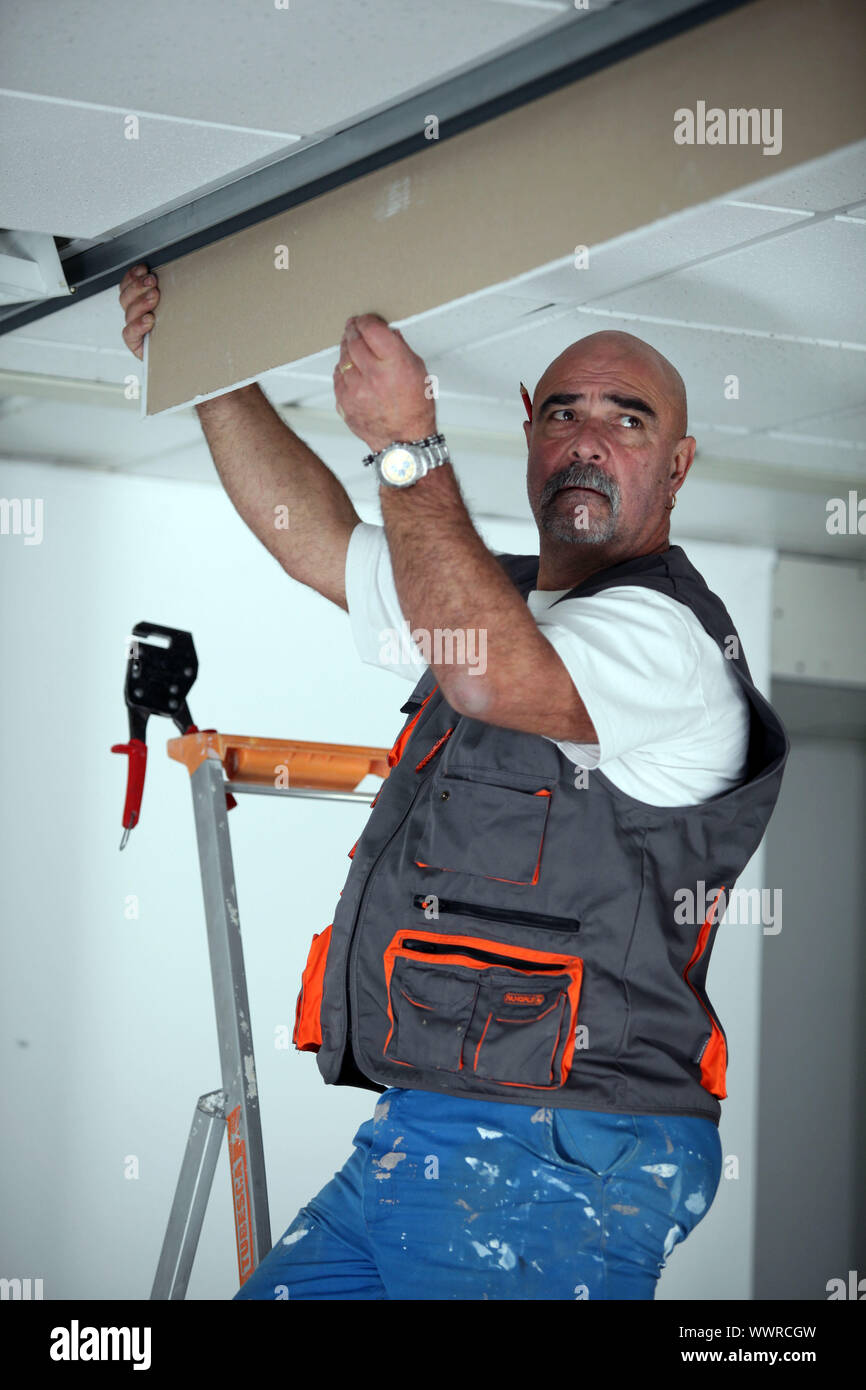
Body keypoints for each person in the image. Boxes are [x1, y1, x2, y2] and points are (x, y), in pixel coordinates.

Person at [119, 267, 788, 1299]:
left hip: (559, 1144)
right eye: (563, 413)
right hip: (428, 1126)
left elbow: (486, 669)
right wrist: (209, 371)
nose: (587, 439)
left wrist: (406, 449)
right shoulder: (493, 597)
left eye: (628, 420)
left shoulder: (667, 641)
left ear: (679, 461)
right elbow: (317, 545)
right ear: (528, 429)